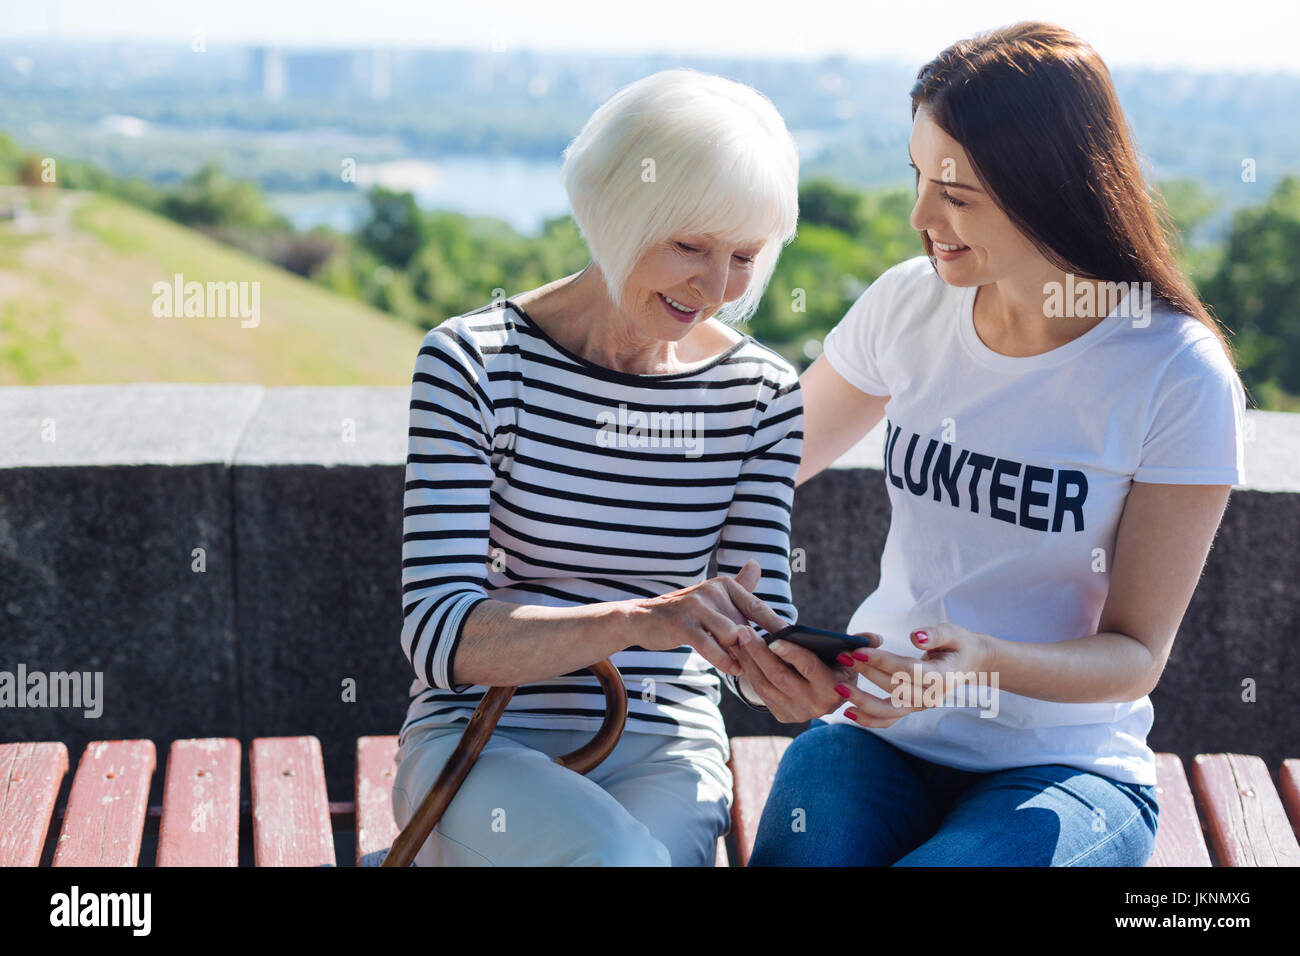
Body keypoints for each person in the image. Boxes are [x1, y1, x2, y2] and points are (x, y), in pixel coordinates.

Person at [739, 22, 1249, 866]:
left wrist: (978, 666)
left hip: (1064, 769)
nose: (920, 216)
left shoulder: (1175, 374)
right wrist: (752, 641)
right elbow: (760, 466)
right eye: (918, 177)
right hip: (877, 737)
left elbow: (1132, 656)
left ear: (1053, 189)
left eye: (957, 194)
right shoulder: (911, 306)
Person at [390, 67, 850, 866]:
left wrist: (787, 677)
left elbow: (753, 617)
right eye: (687, 246)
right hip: (483, 739)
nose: (713, 287)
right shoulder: (473, 364)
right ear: (617, 211)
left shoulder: (760, 395)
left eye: (743, 255)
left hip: (665, 746)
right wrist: (646, 619)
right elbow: (439, 635)